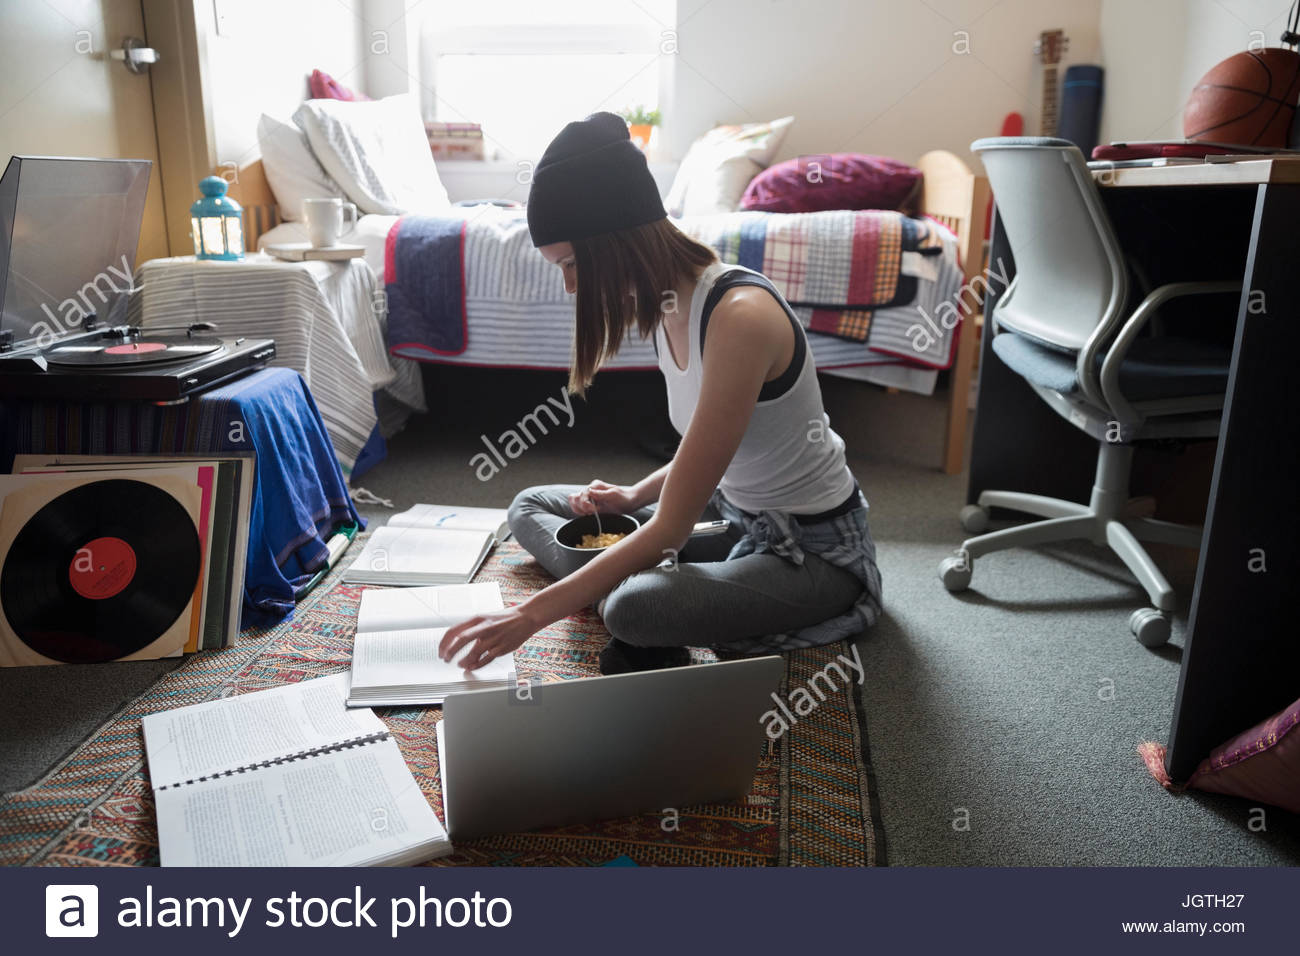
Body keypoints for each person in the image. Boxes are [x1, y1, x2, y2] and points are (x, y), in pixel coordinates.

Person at [439, 111, 882, 675]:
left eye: (572, 263)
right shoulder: (666, 304)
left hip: (810, 555)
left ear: (616, 236)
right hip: (733, 517)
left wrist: (530, 617)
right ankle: (632, 586)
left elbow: (671, 527)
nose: (571, 286)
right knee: (530, 507)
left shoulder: (739, 318)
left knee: (633, 608)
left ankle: (629, 595)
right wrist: (630, 496)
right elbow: (706, 449)